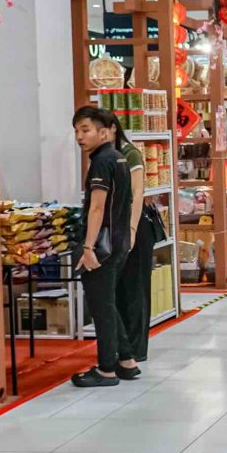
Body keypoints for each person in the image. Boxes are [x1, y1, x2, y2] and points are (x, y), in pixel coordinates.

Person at [71, 107, 136, 387]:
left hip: (102, 246)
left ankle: (107, 369)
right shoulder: (120, 159)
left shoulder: (102, 162)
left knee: (102, 306)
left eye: (85, 130)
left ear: (103, 131)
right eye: (76, 131)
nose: (79, 136)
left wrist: (88, 247)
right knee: (107, 302)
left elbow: (97, 207)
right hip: (119, 241)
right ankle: (127, 361)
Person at [110, 117, 154, 363]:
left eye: (88, 130)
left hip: (135, 227)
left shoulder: (130, 154)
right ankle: (123, 346)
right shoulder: (104, 157)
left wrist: (133, 230)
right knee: (118, 290)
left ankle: (137, 348)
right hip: (116, 230)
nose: (82, 136)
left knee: (136, 289)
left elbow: (138, 195)